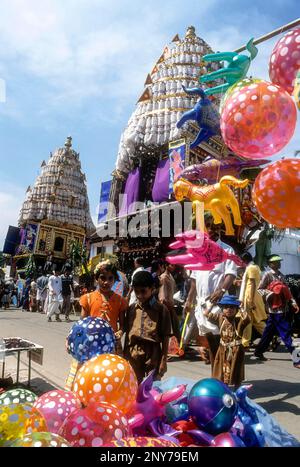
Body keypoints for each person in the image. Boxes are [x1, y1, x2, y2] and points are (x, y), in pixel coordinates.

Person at [184, 213, 237, 367]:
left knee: (221, 341)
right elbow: (194, 279)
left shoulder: (227, 250)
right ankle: (217, 373)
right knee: (209, 342)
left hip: (218, 304)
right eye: (208, 227)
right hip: (201, 305)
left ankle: (221, 374)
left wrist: (220, 291)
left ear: (220, 229)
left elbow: (231, 274)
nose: (212, 230)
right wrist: (189, 300)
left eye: (215, 227)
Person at [123, 270, 172, 383]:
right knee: (134, 384)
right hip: (133, 352)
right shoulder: (131, 309)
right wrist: (125, 354)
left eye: (143, 291)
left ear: (152, 288)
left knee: (152, 387)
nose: (140, 295)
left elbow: (165, 336)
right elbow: (128, 332)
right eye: (136, 292)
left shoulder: (161, 310)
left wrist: (163, 360)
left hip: (153, 352)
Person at [254, 254, 300, 368]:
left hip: (282, 309)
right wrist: (271, 293)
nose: (279, 263)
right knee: (286, 335)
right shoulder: (267, 275)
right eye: (276, 262)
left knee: (267, 334)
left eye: (279, 261)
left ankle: (258, 352)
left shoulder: (281, 275)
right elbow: (259, 289)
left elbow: (287, 291)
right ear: (271, 264)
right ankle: (297, 360)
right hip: (274, 310)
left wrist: (293, 302)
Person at [203, 295, 250, 389]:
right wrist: (213, 304)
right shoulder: (220, 319)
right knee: (222, 371)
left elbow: (247, 319)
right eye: (226, 307)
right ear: (222, 309)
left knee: (236, 371)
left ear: (236, 310)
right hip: (223, 350)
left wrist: (241, 307)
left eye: (232, 307)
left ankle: (237, 390)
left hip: (235, 350)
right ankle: (223, 389)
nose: (229, 309)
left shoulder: (238, 321)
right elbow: (206, 314)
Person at [80, 260, 127, 345]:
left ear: (114, 279)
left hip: (111, 344)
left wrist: (120, 333)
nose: (106, 282)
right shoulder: (87, 299)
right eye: (103, 278)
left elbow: (123, 326)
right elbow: (82, 324)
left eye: (110, 278)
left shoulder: (120, 301)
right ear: (96, 279)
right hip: (91, 344)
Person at [238, 252, 267, 348]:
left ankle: (245, 343)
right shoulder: (255, 267)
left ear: (244, 260)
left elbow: (252, 284)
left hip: (250, 297)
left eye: (241, 261)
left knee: (247, 321)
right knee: (256, 321)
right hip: (253, 297)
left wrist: (250, 300)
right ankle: (270, 337)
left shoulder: (251, 268)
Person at [158, 262, 181, 344]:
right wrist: (168, 306)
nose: (174, 267)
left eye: (174, 265)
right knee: (167, 330)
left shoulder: (170, 276)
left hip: (171, 305)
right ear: (166, 266)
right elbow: (162, 296)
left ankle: (176, 347)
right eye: (172, 265)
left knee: (174, 328)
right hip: (167, 307)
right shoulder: (164, 277)